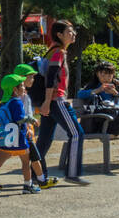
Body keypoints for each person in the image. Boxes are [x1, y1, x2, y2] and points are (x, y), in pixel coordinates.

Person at [33, 20, 88, 184]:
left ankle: (36, 175)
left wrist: (46, 103)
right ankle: (72, 173)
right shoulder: (59, 53)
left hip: (50, 101)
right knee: (77, 134)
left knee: (44, 140)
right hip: (57, 100)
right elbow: (51, 78)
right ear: (59, 34)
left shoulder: (51, 50)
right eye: (70, 32)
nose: (74, 34)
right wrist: (48, 102)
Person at [0, 73, 41, 195]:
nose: (24, 88)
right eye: (22, 86)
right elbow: (19, 119)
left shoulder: (5, 102)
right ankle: (27, 185)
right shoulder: (17, 102)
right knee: (26, 162)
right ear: (15, 89)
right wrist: (32, 119)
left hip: (7, 138)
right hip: (18, 138)